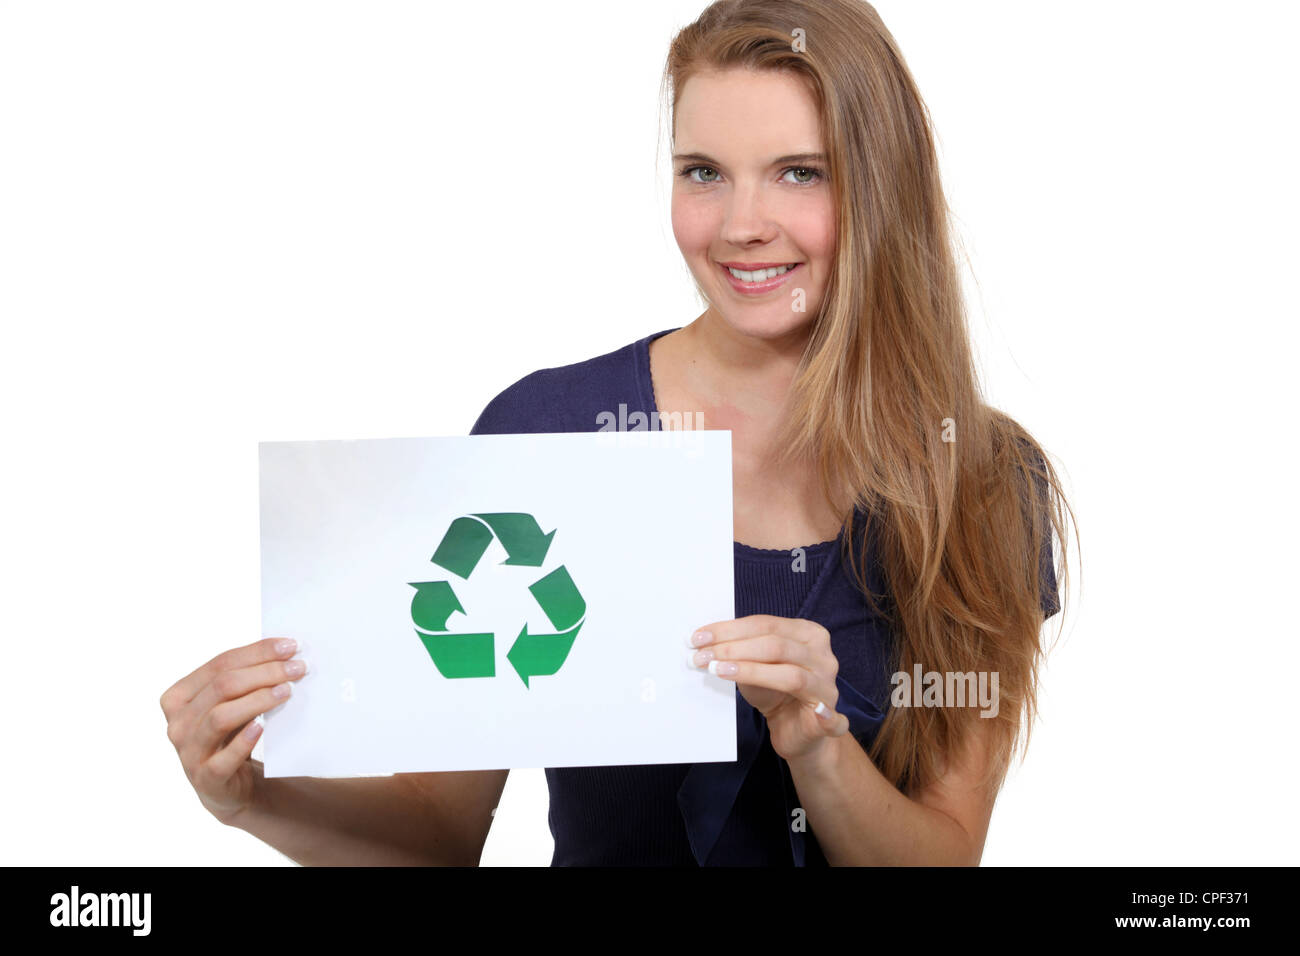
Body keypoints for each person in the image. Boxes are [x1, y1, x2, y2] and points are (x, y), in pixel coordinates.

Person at [161, 0, 1074, 866]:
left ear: (883, 189)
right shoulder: (546, 435)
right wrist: (252, 799)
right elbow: (441, 834)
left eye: (802, 171)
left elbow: (945, 851)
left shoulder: (983, 477)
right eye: (702, 172)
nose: (741, 226)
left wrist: (816, 746)